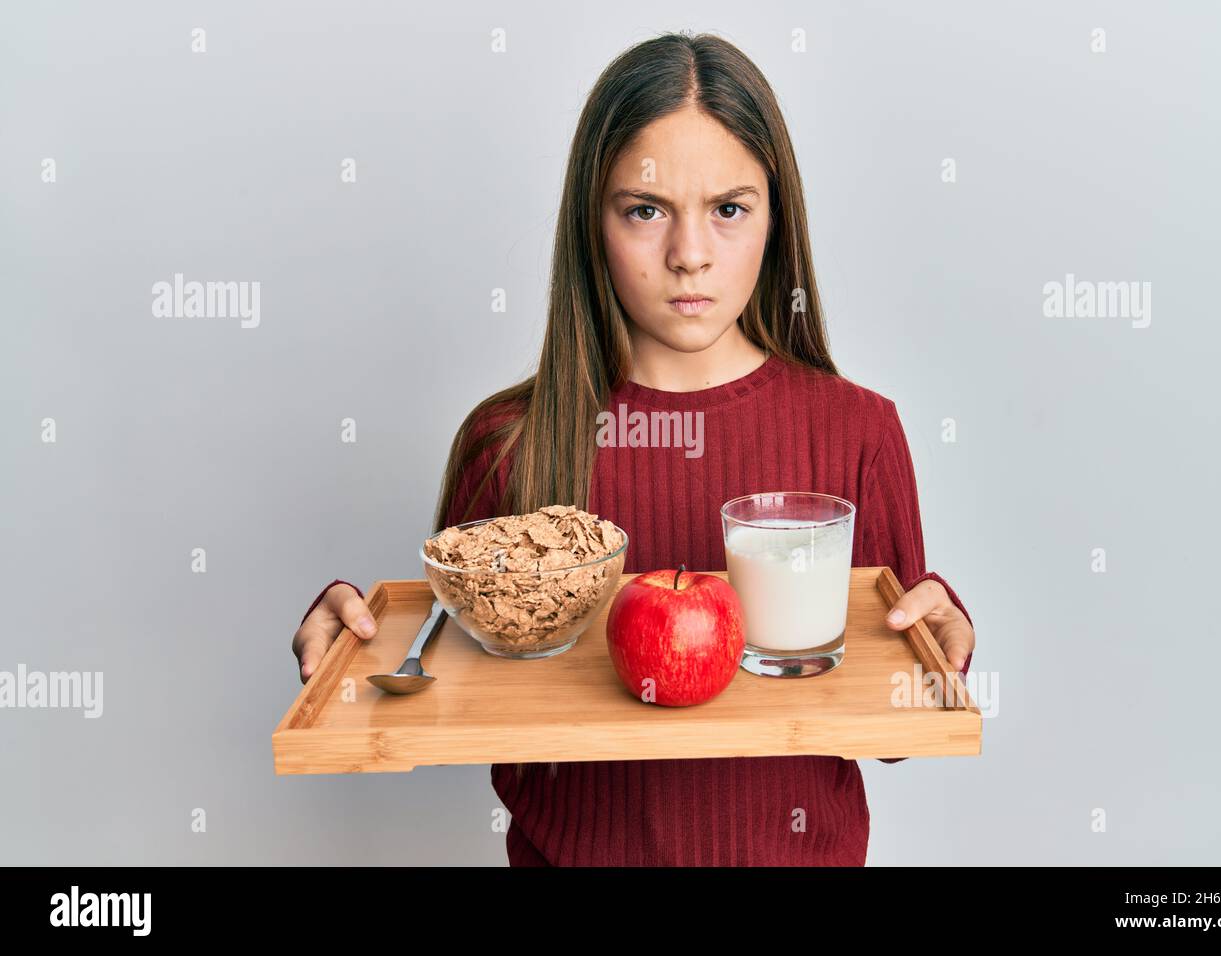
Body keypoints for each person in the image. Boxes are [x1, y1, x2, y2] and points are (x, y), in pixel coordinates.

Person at [291, 31, 976, 866]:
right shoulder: (505, 443)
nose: (689, 255)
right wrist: (353, 651)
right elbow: (442, 673)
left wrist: (937, 650)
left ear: (777, 217)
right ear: (593, 222)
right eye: (645, 211)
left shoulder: (858, 433)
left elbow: (890, 730)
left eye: (729, 209)